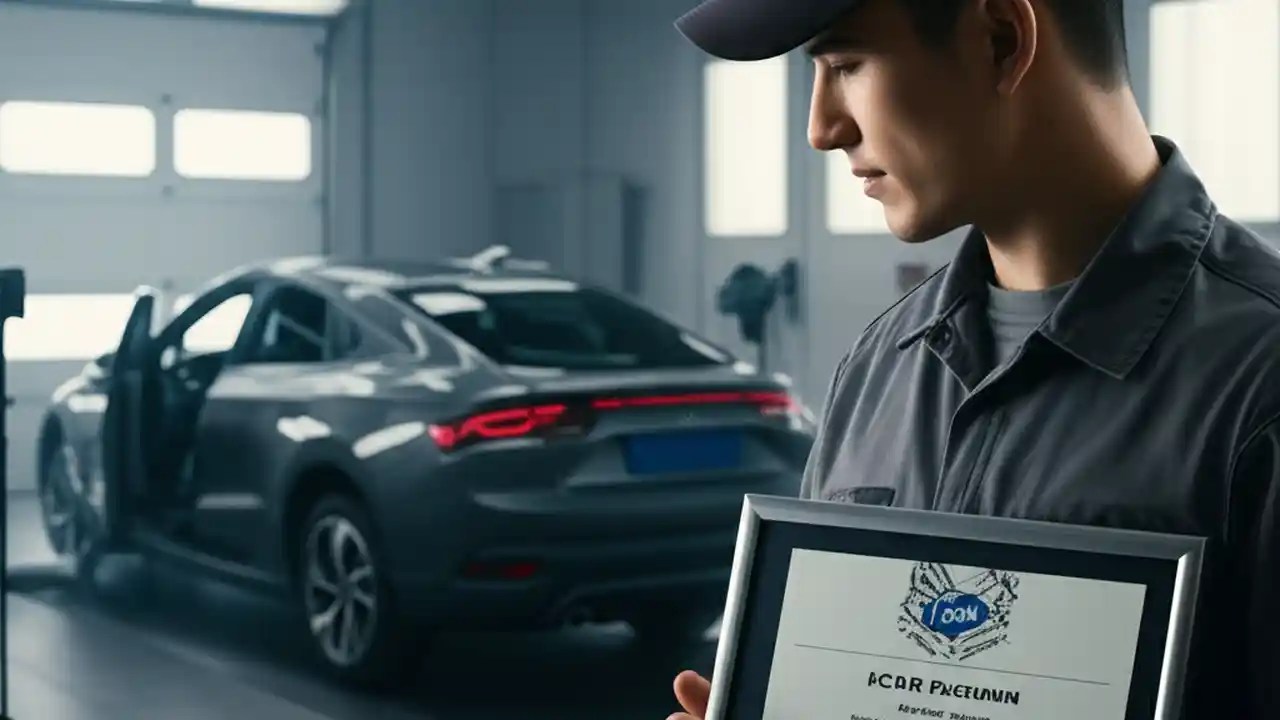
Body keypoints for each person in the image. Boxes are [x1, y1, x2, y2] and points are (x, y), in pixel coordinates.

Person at [666, 0, 1280, 718]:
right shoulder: (880, 363)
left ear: (1000, 38)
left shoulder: (1260, 382)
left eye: (845, 64)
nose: (822, 129)